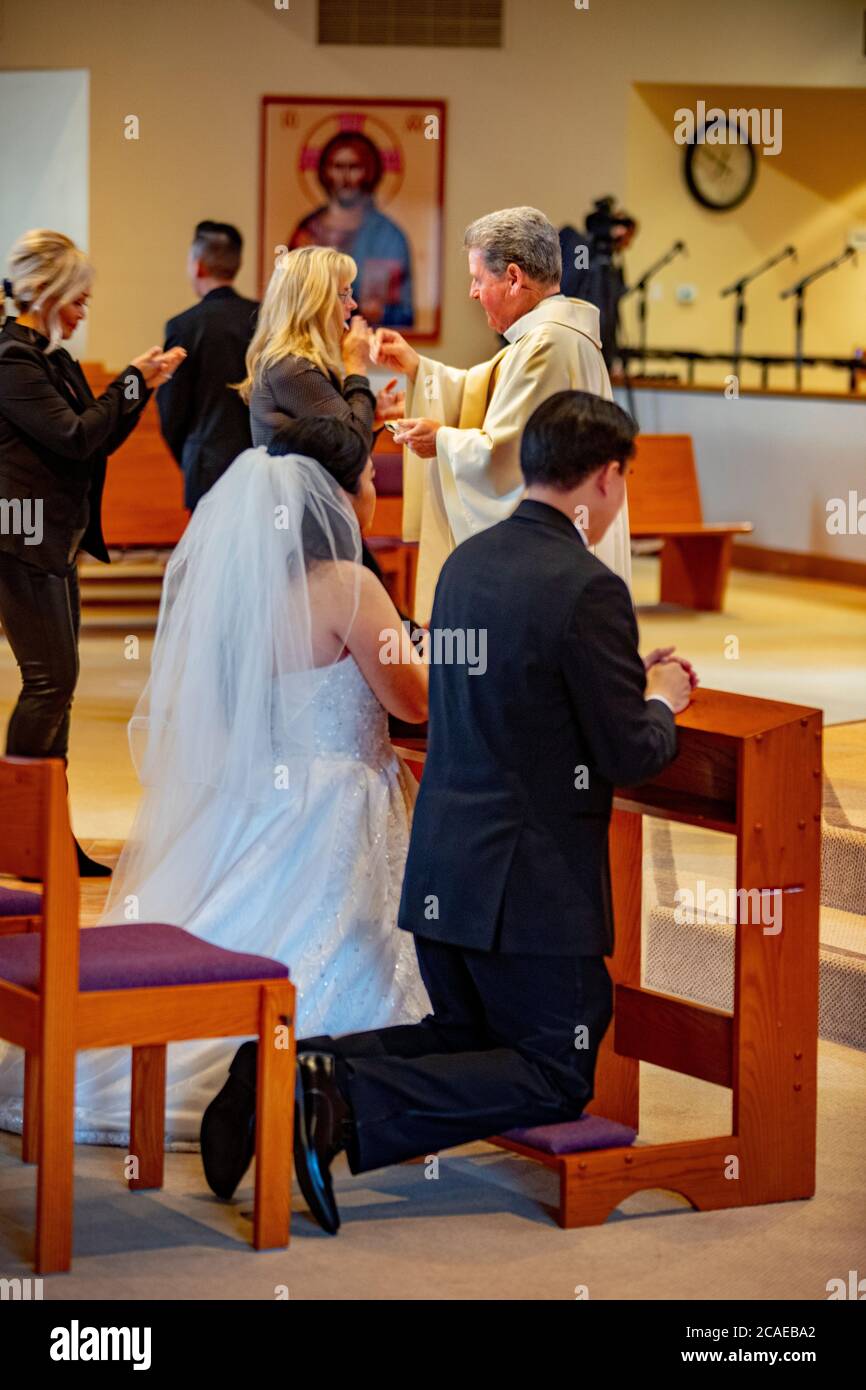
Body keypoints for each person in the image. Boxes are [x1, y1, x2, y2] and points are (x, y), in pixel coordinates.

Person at [202, 390, 697, 1232]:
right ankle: (336, 1096)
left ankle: (283, 1065)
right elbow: (627, 752)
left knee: (463, 1035)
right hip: (529, 886)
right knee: (553, 1070)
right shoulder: (590, 586)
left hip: (446, 861)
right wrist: (661, 698)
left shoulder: (466, 563)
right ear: (609, 478)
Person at [0, 418, 430, 1147]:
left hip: (260, 794)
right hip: (335, 805)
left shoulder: (250, 592)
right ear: (337, 496)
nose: (373, 493)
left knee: (230, 913)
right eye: (365, 481)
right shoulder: (350, 586)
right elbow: (412, 701)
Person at [0, 229, 185, 877]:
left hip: (57, 538)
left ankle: (49, 835)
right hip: (20, 540)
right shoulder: (12, 362)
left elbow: (96, 439)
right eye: (78, 298)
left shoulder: (50, 358)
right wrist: (132, 381)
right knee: (50, 682)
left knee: (60, 684)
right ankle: (20, 835)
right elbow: (77, 438)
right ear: (46, 293)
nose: (84, 311)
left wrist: (143, 387)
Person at [370, 206, 632, 622]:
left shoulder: (548, 343)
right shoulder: (545, 337)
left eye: (477, 278)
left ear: (513, 277)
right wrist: (419, 370)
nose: (472, 292)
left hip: (554, 551)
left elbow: (508, 455)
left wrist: (440, 439)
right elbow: (486, 387)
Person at [242, 244, 403, 449]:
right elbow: (353, 446)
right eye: (344, 293)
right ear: (316, 302)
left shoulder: (300, 363)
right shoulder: (291, 367)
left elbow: (346, 457)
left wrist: (372, 418)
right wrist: (355, 363)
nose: (353, 304)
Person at [157, 220, 258, 510]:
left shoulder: (184, 326)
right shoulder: (266, 318)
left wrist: (190, 455)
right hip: (262, 465)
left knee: (211, 554)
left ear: (198, 265)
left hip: (206, 466)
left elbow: (171, 409)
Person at [289, 131, 413, 328]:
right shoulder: (308, 230)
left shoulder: (388, 236)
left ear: (370, 172)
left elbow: (404, 310)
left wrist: (380, 311)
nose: (345, 177)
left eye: (354, 167)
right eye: (337, 167)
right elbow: (290, 296)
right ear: (325, 172)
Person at [560, 197, 638, 371]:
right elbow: (571, 284)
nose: (626, 241)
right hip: (578, 339)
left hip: (601, 347)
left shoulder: (610, 262)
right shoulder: (582, 249)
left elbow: (613, 304)